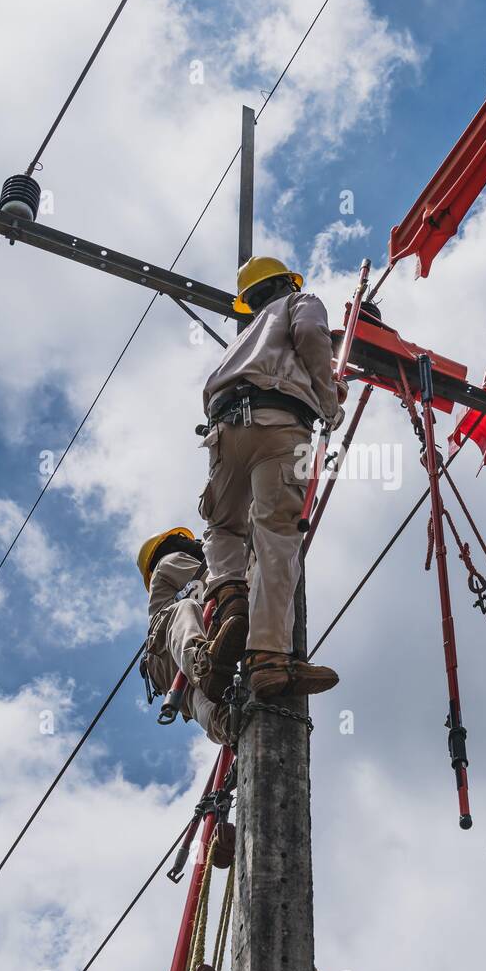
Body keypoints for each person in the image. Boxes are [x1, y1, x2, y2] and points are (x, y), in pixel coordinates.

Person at [198, 256, 346, 701]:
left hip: (224, 431)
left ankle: (230, 597)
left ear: (249, 299)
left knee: (223, 527)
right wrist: (328, 400)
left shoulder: (242, 340)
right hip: (282, 425)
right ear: (286, 282)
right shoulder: (302, 302)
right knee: (277, 537)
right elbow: (311, 336)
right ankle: (268, 659)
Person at [138, 526, 229, 745]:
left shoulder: (173, 579)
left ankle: (227, 726)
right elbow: (213, 582)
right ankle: (201, 663)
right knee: (186, 607)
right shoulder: (170, 559)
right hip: (173, 642)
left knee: (201, 699)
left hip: (168, 666)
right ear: (169, 543)